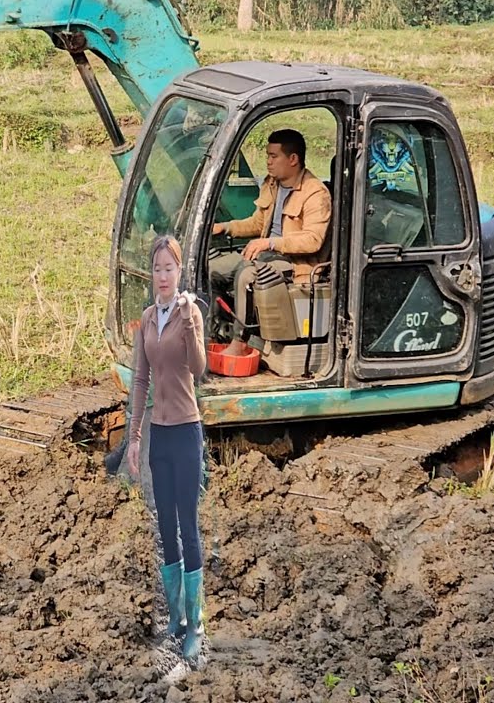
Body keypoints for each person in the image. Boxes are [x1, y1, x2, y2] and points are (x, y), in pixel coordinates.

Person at [125, 235, 208, 666]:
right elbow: (141, 381)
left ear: (179, 272)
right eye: (157, 269)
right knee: (165, 526)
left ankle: (196, 626)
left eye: (169, 269)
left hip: (187, 432)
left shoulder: (188, 312)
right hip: (159, 435)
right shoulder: (146, 319)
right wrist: (134, 437)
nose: (162, 276)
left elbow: (199, 367)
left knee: (189, 528)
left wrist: (191, 324)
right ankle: (174, 618)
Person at [209, 128, 332, 357]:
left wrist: (270, 243)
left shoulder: (316, 194)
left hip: (295, 264)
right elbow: (257, 223)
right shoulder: (272, 184)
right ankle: (214, 332)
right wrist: (225, 227)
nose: (268, 162)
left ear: (293, 159)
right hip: (265, 253)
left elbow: (312, 240)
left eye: (273, 156)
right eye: (267, 156)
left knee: (247, 276)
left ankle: (240, 342)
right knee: (211, 270)